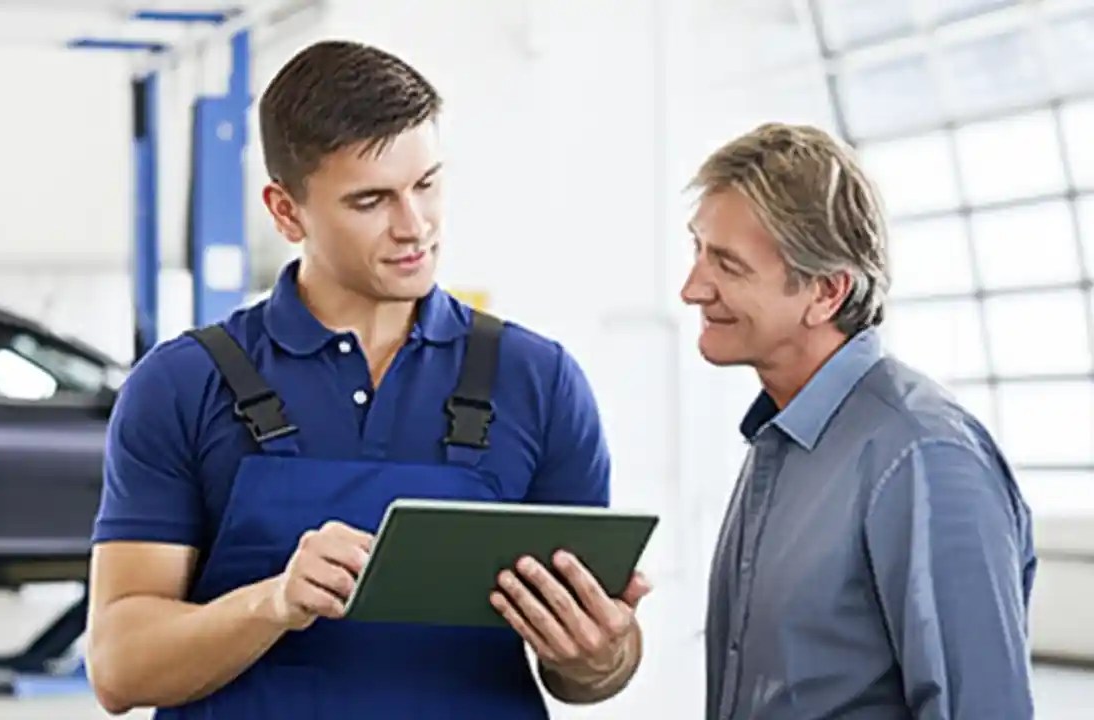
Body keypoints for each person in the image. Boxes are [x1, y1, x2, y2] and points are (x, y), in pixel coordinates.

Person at [84, 40, 650, 719]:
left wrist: (601, 656)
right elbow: (119, 668)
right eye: (371, 200)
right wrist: (275, 602)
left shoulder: (538, 380)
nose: (415, 227)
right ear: (286, 211)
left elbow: (587, 674)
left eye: (427, 184)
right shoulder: (181, 385)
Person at [680, 122, 1037, 719]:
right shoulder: (781, 440)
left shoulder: (924, 456)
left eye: (729, 265)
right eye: (698, 250)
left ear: (826, 292)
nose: (693, 288)